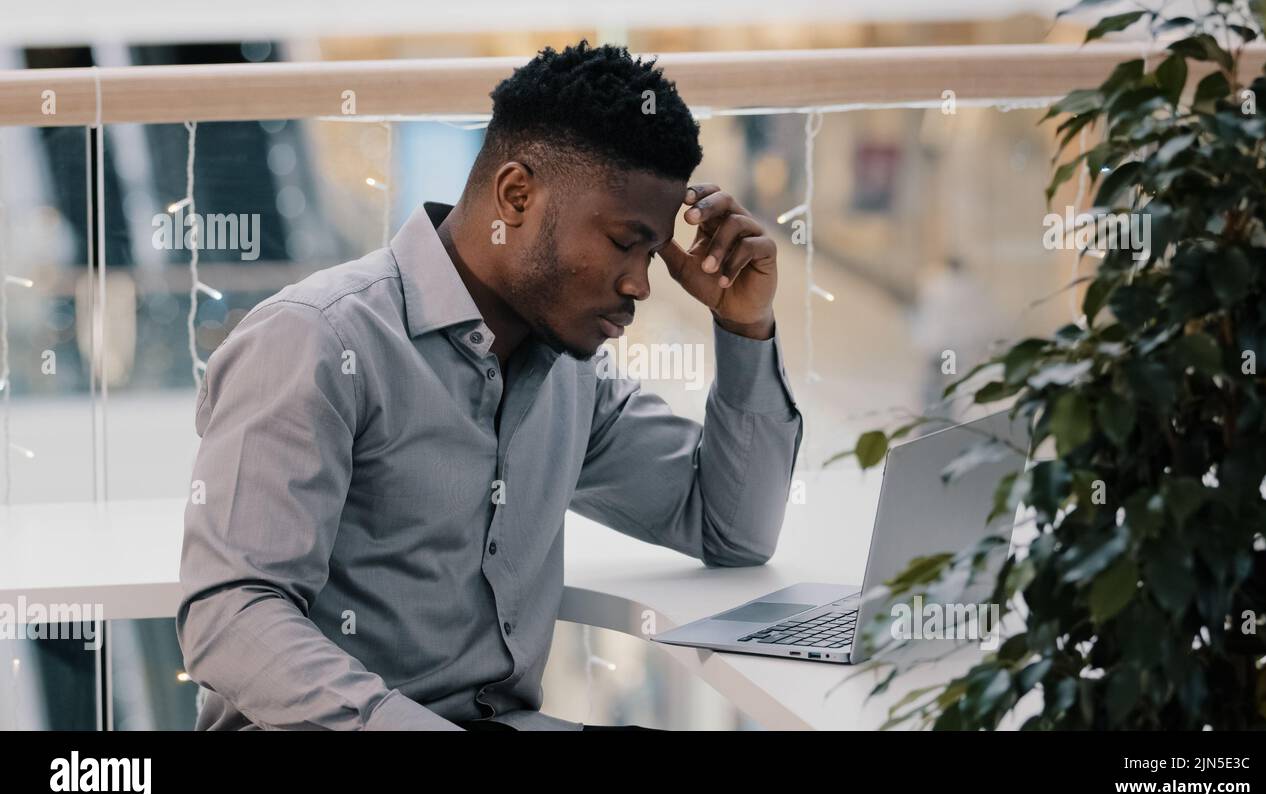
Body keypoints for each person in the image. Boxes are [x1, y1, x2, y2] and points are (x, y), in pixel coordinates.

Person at [177, 40, 802, 731]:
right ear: (516, 194)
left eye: (652, 253)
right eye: (626, 242)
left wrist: (747, 327)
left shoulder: (570, 373)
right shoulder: (315, 341)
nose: (640, 284)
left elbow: (733, 526)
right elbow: (230, 616)